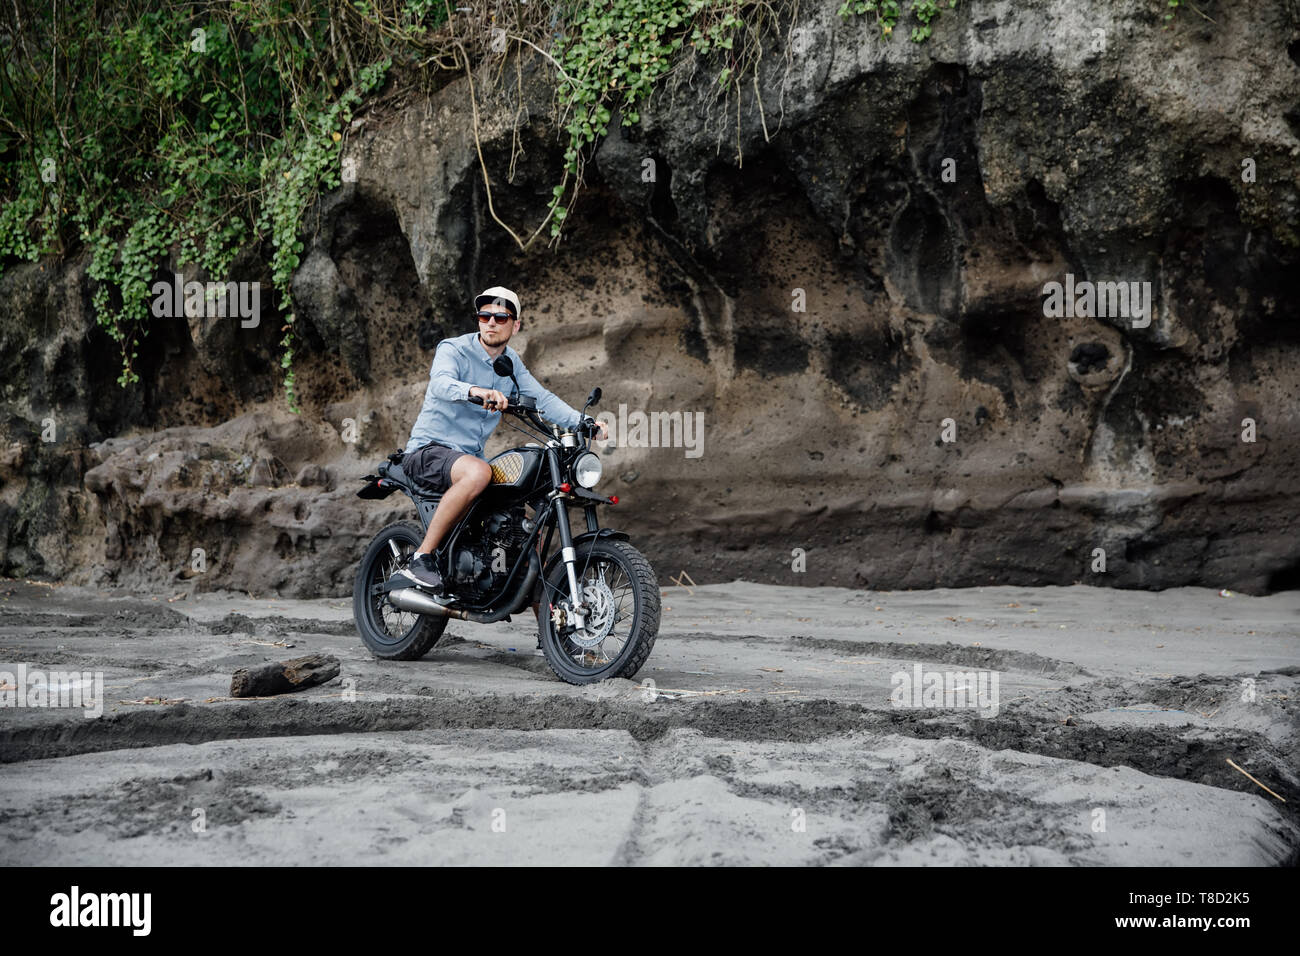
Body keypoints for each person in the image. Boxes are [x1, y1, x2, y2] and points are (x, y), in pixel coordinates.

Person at [393, 285, 608, 593]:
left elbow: (542, 398)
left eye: (501, 317)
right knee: (479, 471)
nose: (491, 322)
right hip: (429, 451)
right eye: (484, 316)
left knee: (520, 521)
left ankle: (552, 630)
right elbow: (441, 383)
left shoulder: (511, 364)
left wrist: (584, 422)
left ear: (515, 324)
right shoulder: (453, 349)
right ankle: (421, 558)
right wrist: (476, 391)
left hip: (466, 461)